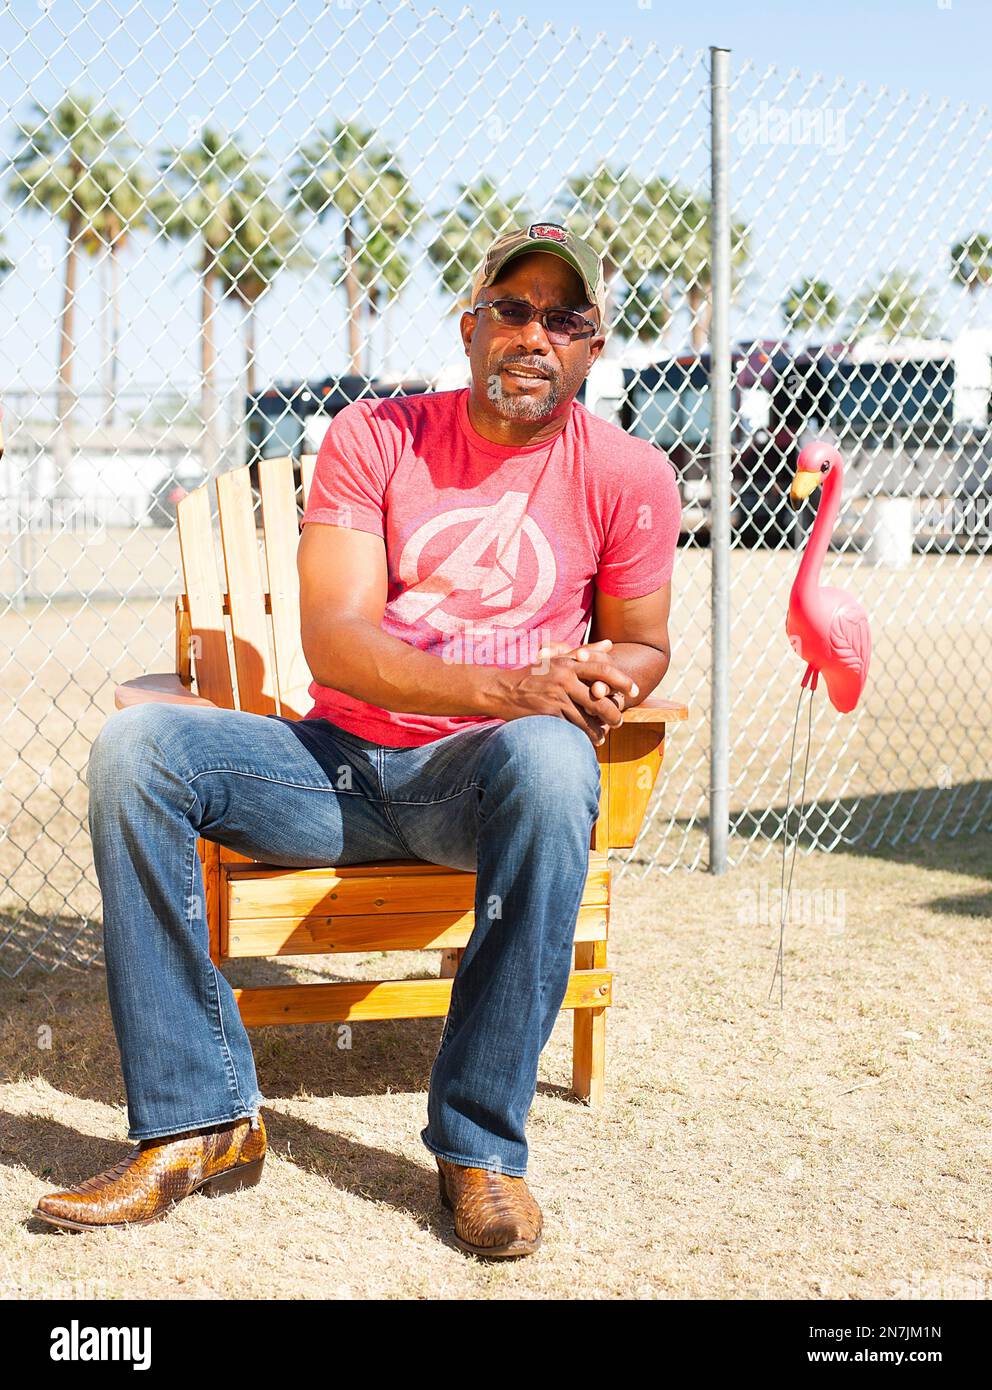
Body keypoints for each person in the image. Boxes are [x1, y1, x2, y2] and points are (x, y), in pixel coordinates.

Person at [32, 222, 681, 1258]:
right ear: (469, 328)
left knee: (556, 758)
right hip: (333, 768)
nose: (532, 334)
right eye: (511, 308)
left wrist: (611, 675)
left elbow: (643, 641)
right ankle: (200, 1120)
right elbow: (334, 644)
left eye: (563, 318)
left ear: (591, 347)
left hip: (480, 785)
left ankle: (478, 1149)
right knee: (138, 748)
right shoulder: (376, 437)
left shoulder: (629, 472)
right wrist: (513, 681)